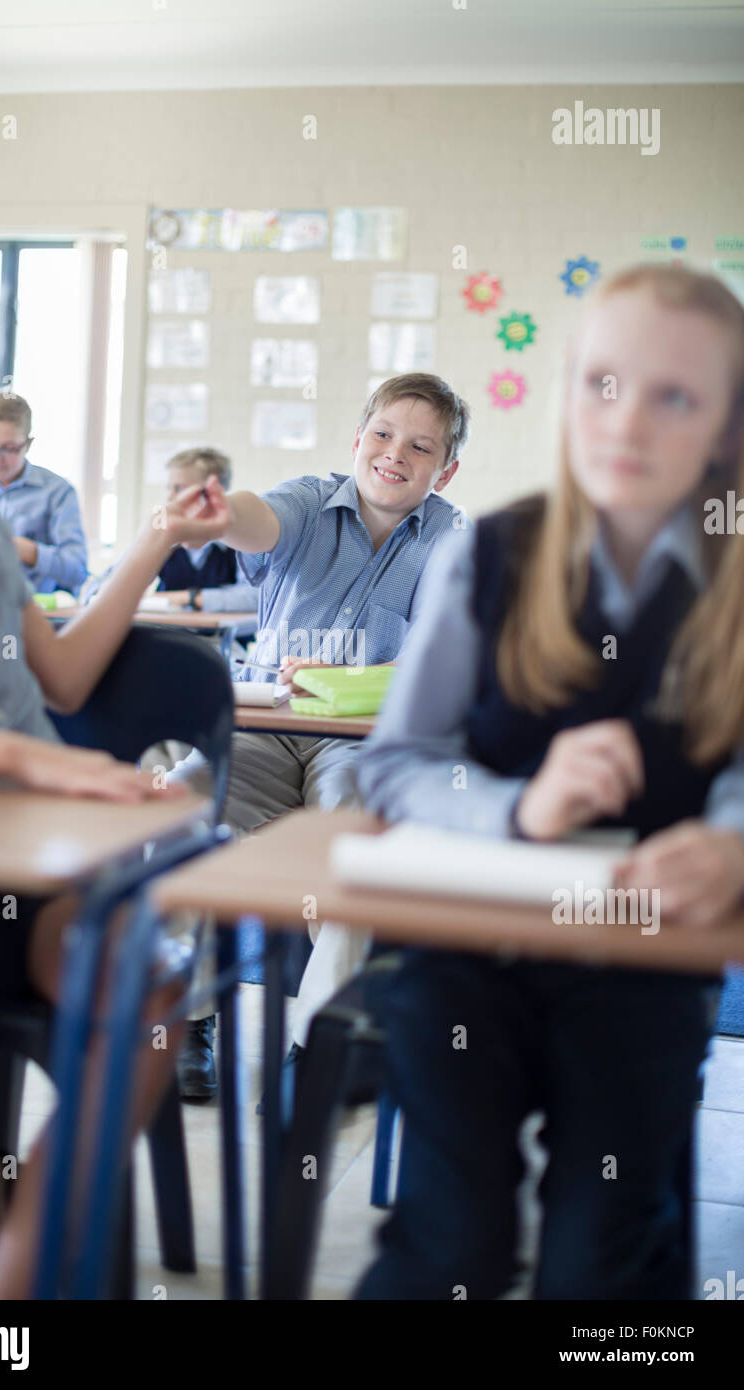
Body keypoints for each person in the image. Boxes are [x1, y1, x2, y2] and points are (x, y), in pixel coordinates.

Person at [355, 263, 744, 1300]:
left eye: (676, 397)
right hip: (465, 951)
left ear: (723, 426)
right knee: (452, 1237)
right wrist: (516, 808)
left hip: (639, 961)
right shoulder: (491, 551)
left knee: (597, 1259)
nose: (627, 421)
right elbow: (390, 763)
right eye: (602, 383)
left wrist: (731, 836)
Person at [0, 242, 229, 1299]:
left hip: (42, 848)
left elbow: (67, 679)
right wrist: (15, 752)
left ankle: (11, 1288)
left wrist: (158, 537)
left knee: (147, 999)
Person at [167, 373, 470, 1100]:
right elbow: (256, 519)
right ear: (358, 437)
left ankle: (324, 1043)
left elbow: (437, 661)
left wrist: (354, 674)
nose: (395, 454)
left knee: (357, 844)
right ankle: (191, 1020)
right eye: (384, 434)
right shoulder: (310, 497)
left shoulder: (455, 539)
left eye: (421, 447)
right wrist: (215, 514)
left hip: (365, 743)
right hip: (268, 725)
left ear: (445, 469)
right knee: (179, 808)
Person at [81, 446, 256, 614]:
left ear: (213, 491)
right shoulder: (163, 530)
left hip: (220, 640)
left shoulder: (240, 538)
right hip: (168, 635)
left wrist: (188, 598)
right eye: (169, 488)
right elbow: (95, 590)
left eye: (179, 488)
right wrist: (150, 552)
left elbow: (256, 597)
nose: (170, 497)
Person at [0, 391, 88, 595]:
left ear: (27, 445)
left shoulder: (57, 493)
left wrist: (28, 552)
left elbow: (78, 570)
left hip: (34, 613)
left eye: (8, 448)